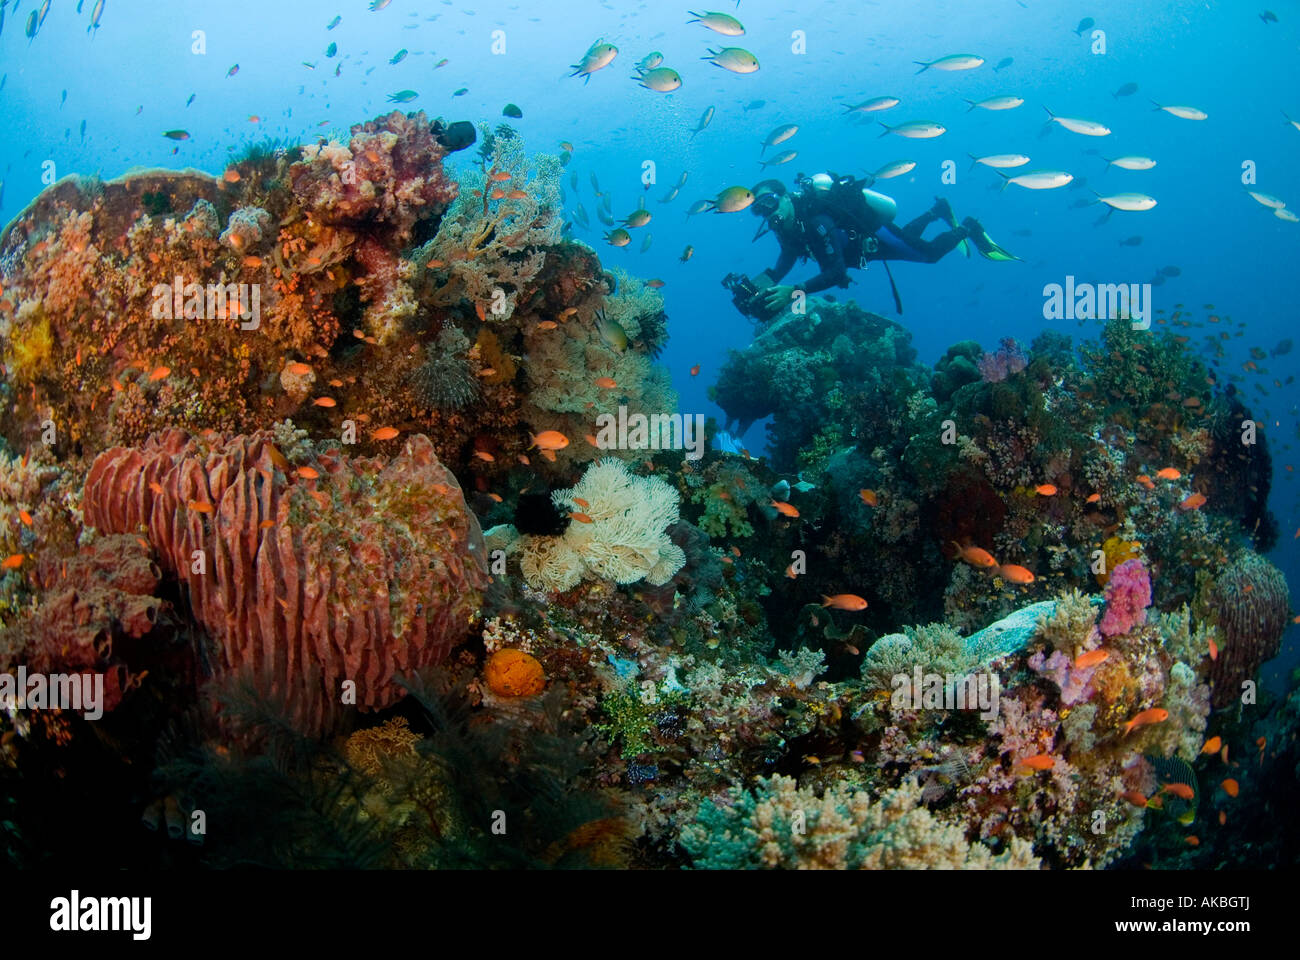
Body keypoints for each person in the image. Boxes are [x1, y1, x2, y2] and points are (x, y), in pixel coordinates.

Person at [748, 173, 1016, 316]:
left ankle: (968, 226)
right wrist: (756, 287)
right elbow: (783, 263)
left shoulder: (816, 220)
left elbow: (836, 272)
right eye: (759, 209)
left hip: (872, 233)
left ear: (785, 197)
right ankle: (937, 211)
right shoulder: (788, 230)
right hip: (861, 250)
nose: (767, 213)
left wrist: (794, 291)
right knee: (906, 244)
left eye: (769, 202)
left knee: (928, 254)